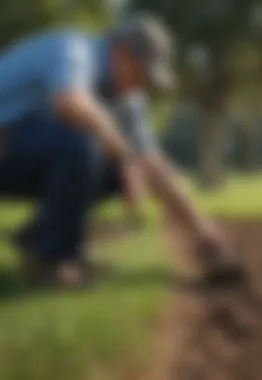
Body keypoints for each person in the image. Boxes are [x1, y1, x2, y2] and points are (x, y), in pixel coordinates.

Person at [0, 14, 233, 288]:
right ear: (121, 52)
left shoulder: (126, 99)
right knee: (85, 145)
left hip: (19, 153)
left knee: (115, 168)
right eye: (142, 73)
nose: (143, 85)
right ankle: (52, 261)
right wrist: (125, 159)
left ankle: (41, 237)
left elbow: (152, 163)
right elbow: (71, 103)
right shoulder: (72, 49)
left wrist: (201, 231)